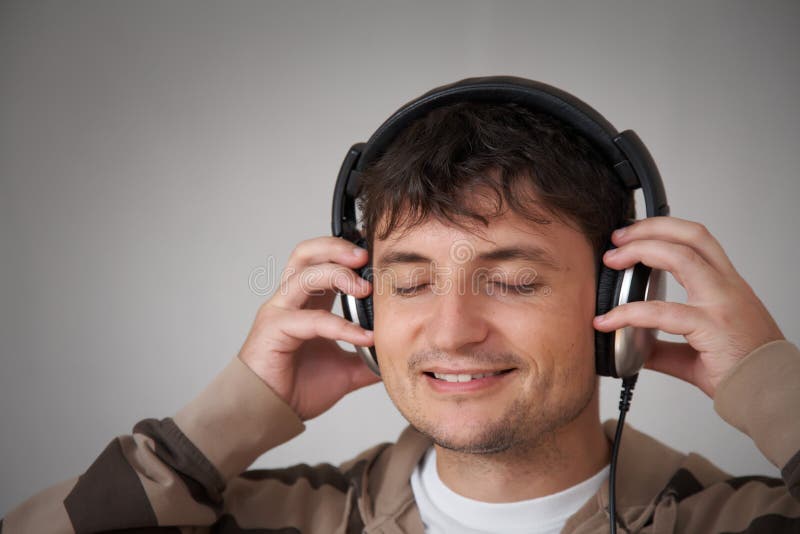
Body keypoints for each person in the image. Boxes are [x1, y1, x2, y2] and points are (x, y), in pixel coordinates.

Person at [2, 82, 798, 534]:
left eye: (514, 281)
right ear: (360, 305)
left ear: (621, 299)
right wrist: (228, 416)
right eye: (409, 283)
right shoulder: (263, 519)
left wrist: (775, 389)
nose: (450, 331)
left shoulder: (737, 520)